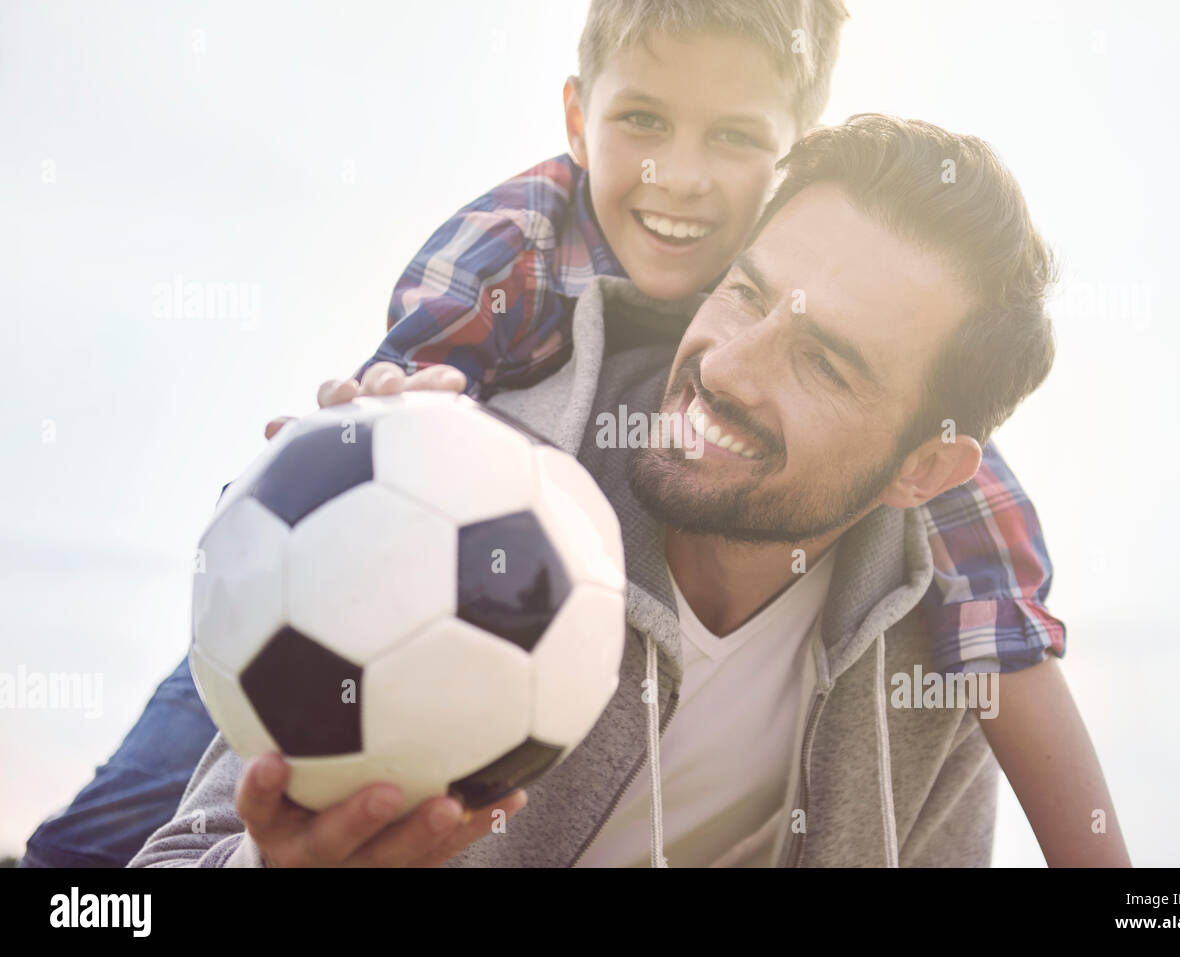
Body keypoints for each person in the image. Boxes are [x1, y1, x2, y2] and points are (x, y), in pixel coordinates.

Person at [20, 0, 1065, 868]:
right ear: (578, 119)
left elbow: (999, 594)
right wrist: (354, 455)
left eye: (825, 363)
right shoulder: (487, 395)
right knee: (88, 856)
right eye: (747, 296)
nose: (679, 177)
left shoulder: (928, 641)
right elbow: (401, 385)